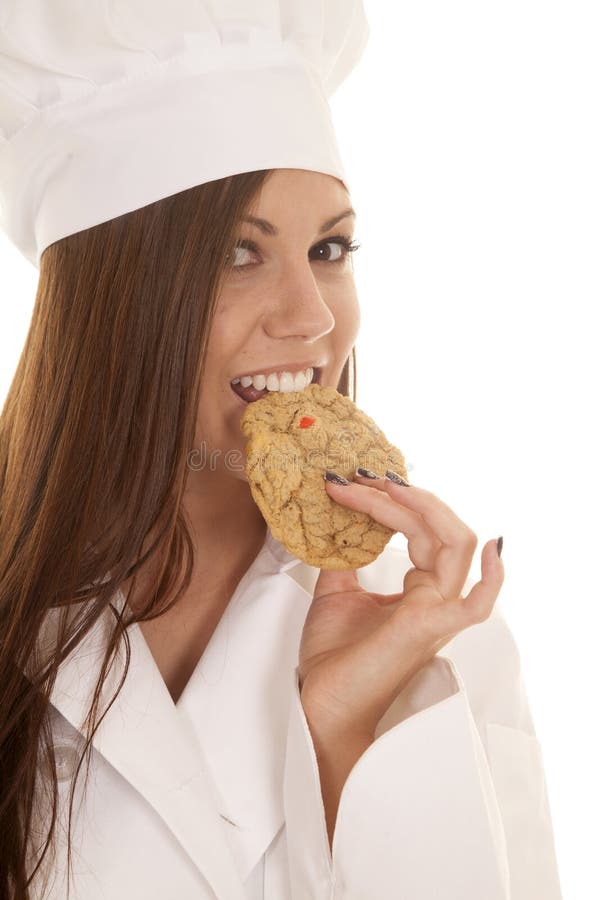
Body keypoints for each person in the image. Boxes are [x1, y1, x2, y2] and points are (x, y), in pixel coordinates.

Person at [0, 4, 563, 899]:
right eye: (236, 252)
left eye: (329, 248)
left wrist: (342, 739)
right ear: (106, 300)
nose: (314, 319)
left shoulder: (442, 642)